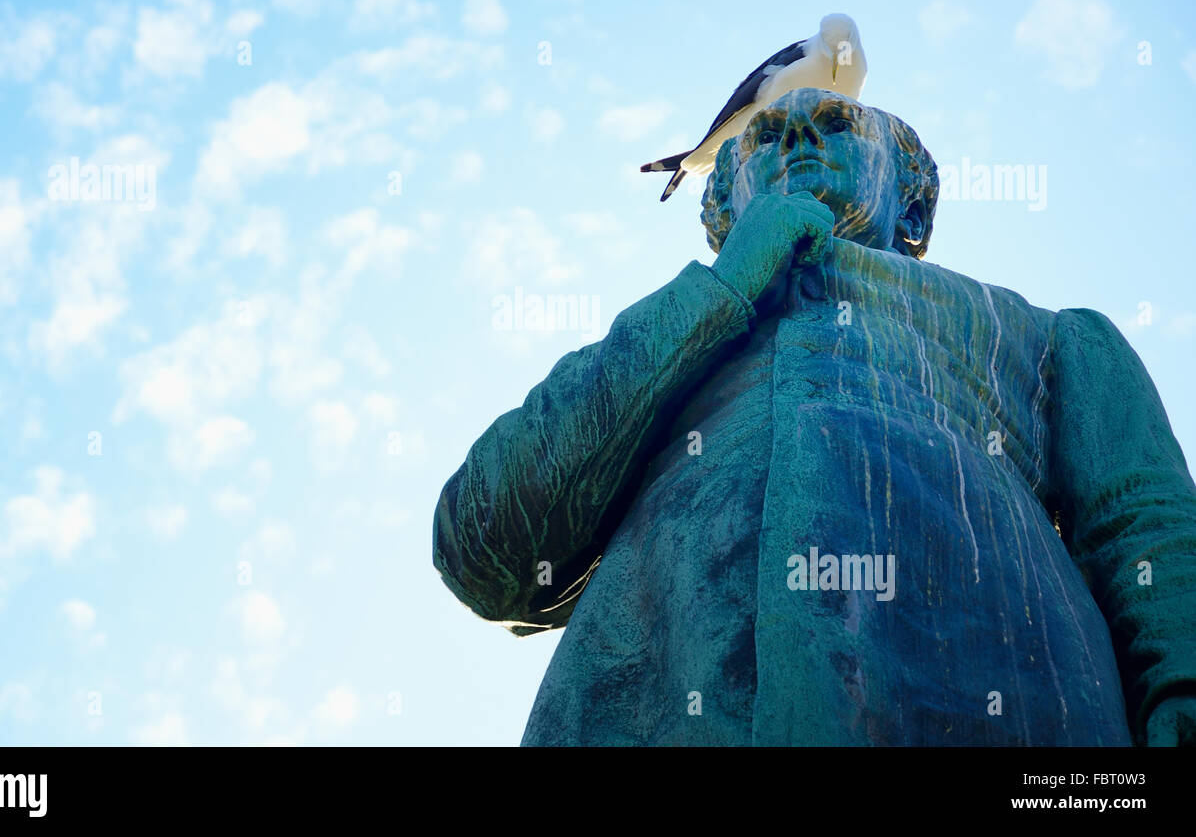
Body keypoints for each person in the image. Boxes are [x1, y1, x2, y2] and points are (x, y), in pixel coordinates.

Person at [433, 87, 1196, 746]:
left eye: (835, 124)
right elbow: (484, 545)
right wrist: (723, 292)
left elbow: (1148, 529)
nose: (795, 137)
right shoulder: (671, 339)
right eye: (762, 136)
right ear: (724, 204)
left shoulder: (1048, 342)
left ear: (915, 200)